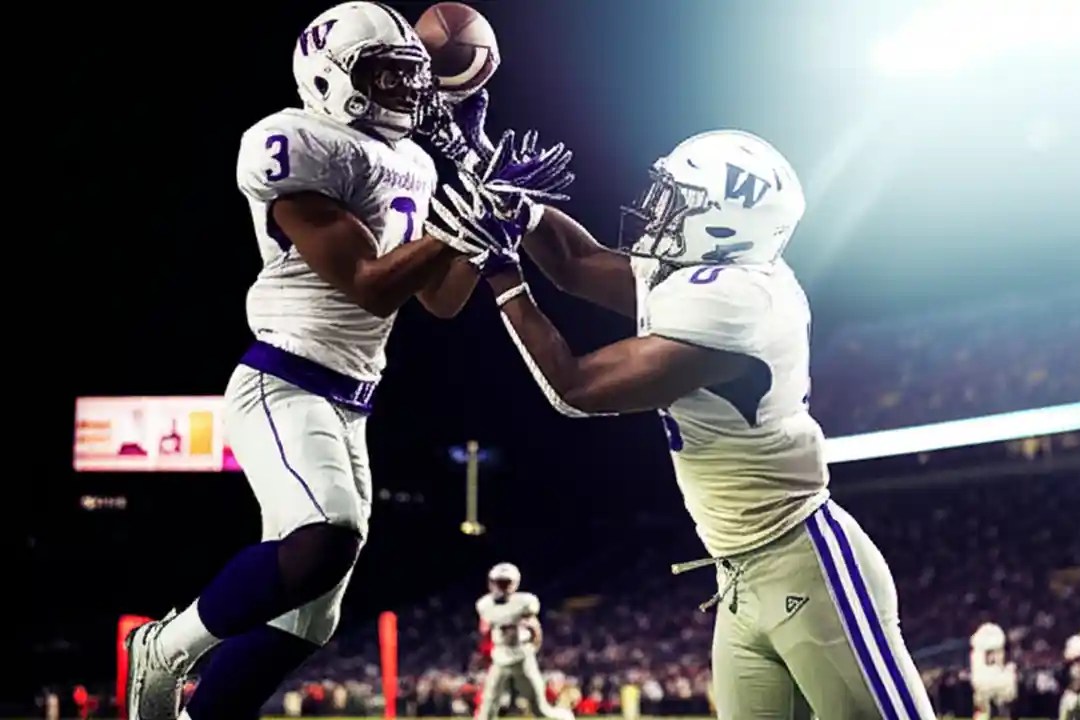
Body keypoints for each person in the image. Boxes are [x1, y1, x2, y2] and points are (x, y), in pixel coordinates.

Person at [123, 3, 561, 717]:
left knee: (310, 618)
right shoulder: (297, 142)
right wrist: (466, 211)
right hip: (284, 377)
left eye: (413, 76)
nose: (410, 92)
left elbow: (440, 299)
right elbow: (368, 283)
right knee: (322, 542)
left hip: (351, 399)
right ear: (330, 80)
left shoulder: (414, 164)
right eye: (388, 75)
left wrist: (493, 212)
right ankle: (166, 648)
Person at [438, 125, 938, 719]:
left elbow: (576, 388)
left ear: (726, 224)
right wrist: (519, 210)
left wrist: (502, 275)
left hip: (805, 564)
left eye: (679, 199)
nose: (657, 208)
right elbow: (576, 263)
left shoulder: (738, 303)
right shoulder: (715, 274)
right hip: (738, 577)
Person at [474, 563, 574, 720]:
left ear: (514, 583)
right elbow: (484, 628)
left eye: (505, 583)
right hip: (500, 658)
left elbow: (535, 628)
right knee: (487, 706)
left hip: (522, 659)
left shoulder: (524, 602)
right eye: (499, 582)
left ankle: (566, 717)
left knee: (540, 710)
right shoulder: (485, 604)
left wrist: (532, 645)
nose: (501, 587)